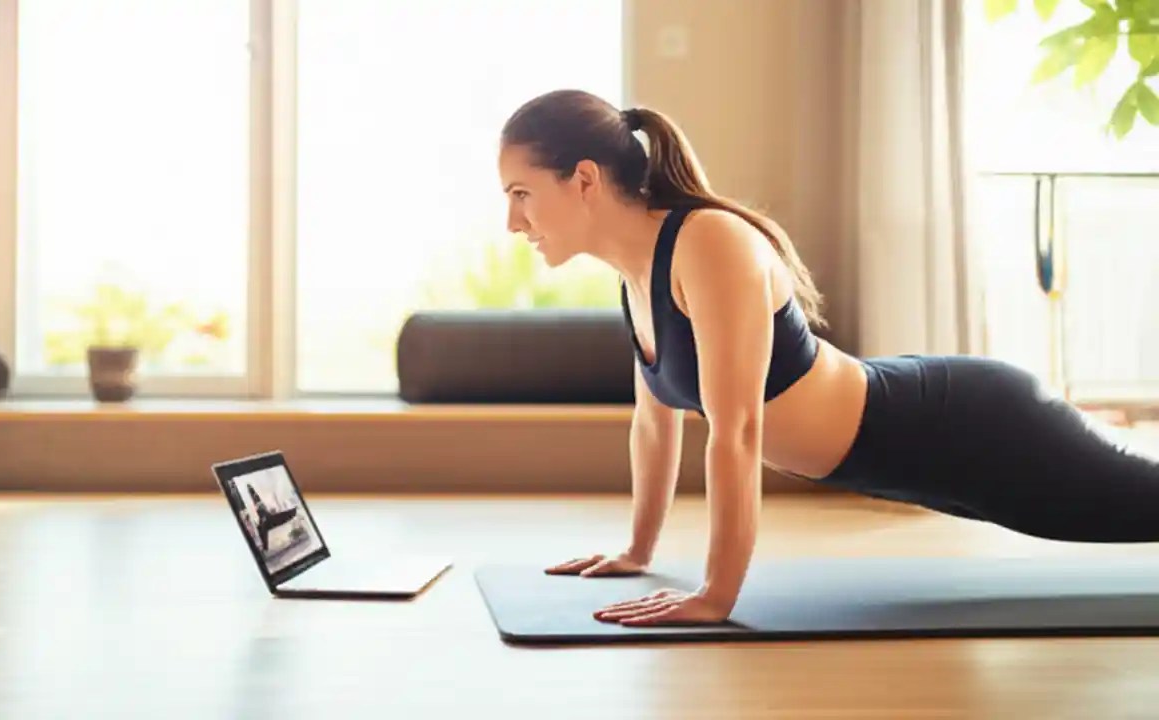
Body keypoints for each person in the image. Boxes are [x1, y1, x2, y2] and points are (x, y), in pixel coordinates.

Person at [496, 88, 1159, 628]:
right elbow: (656, 422)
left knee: (1140, 507)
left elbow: (737, 429)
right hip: (916, 466)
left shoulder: (709, 244)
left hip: (972, 427)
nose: (513, 222)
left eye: (520, 193)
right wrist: (637, 553)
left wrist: (716, 595)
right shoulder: (636, 277)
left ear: (583, 178)